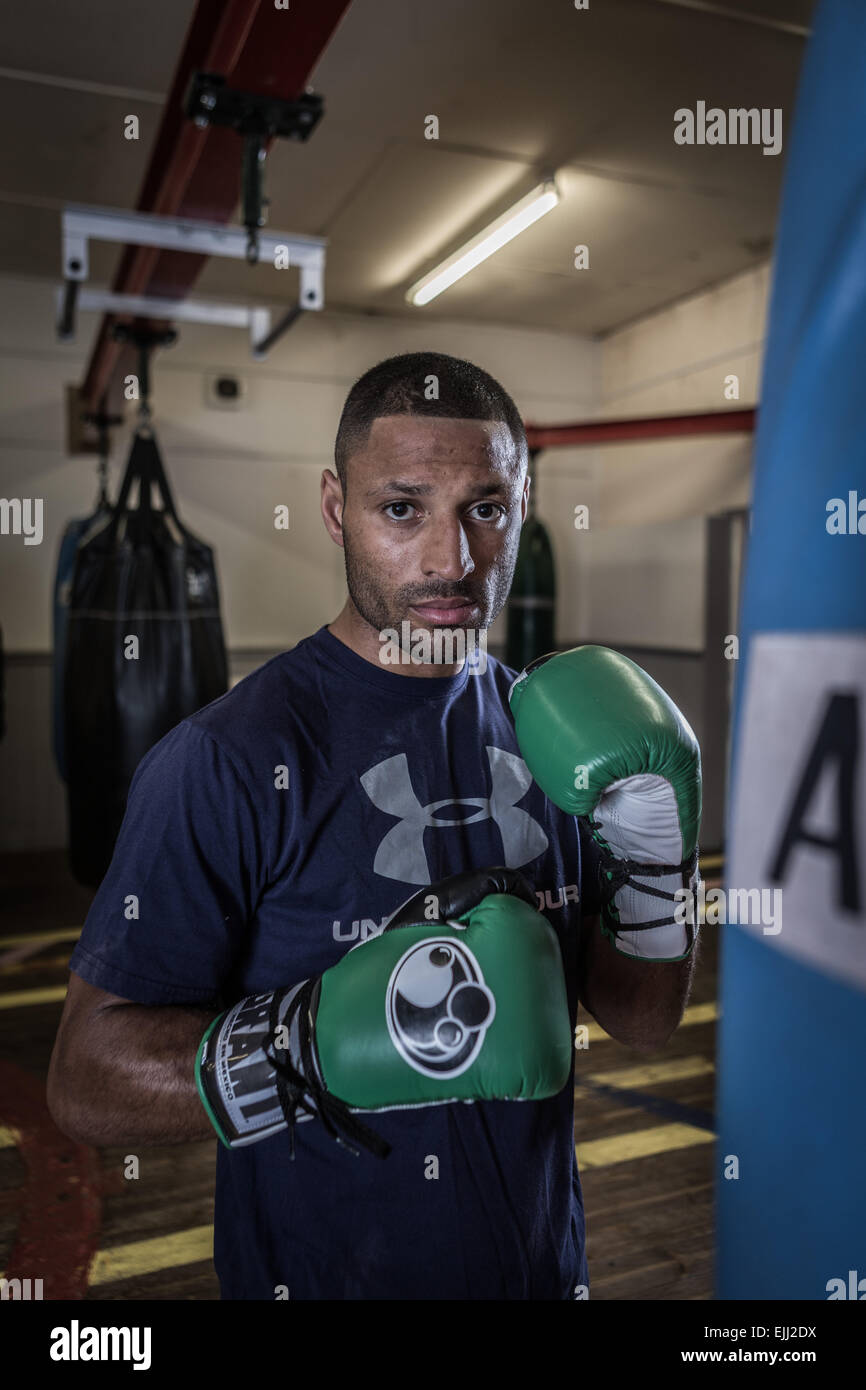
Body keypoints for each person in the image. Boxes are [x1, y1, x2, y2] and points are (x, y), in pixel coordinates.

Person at [48, 351, 698, 1300]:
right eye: (403, 509)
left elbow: (641, 1020)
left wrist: (653, 860)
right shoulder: (229, 757)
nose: (451, 559)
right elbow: (83, 1080)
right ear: (332, 508)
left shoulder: (556, 732)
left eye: (486, 508)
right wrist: (304, 1046)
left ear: (522, 508)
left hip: (541, 1272)